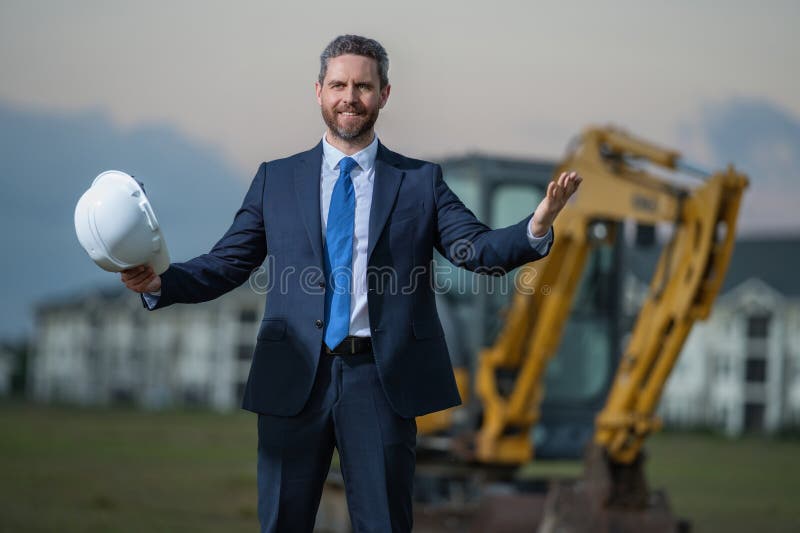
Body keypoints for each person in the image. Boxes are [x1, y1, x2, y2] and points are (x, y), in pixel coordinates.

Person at [121, 34, 581, 533]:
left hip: (382, 382)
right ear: (318, 91)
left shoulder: (419, 182)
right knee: (281, 523)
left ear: (385, 94)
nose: (350, 97)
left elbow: (477, 250)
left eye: (363, 86)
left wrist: (537, 225)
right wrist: (160, 283)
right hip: (293, 375)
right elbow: (227, 263)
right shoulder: (276, 179)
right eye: (339, 84)